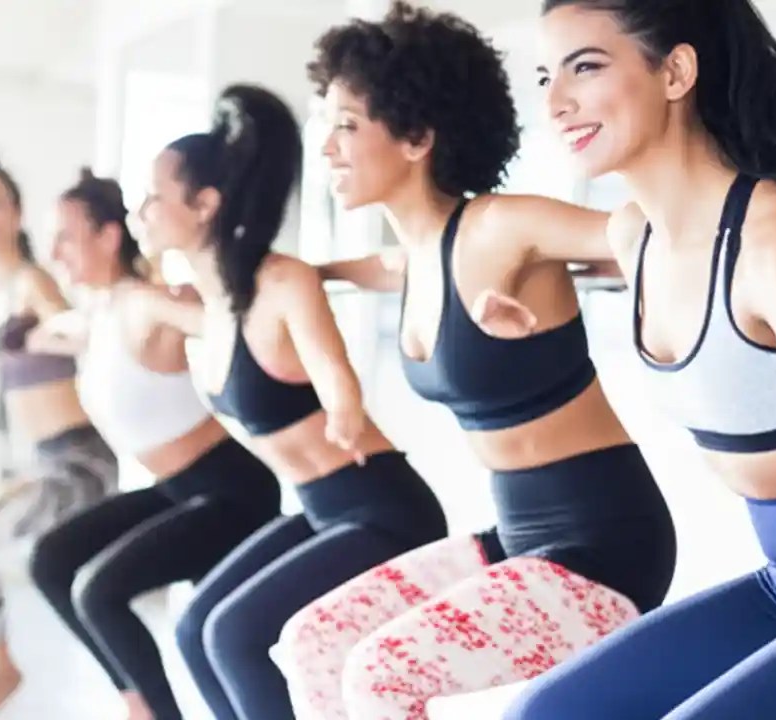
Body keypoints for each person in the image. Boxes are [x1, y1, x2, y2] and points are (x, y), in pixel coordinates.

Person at [506, 1, 776, 717]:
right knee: (547, 713)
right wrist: (500, 302)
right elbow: (510, 238)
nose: (556, 102)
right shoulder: (635, 237)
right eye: (545, 77)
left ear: (676, 71)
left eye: (585, 67)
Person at [277, 6, 675, 717]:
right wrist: (284, 276)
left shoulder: (501, 228)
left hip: (604, 549)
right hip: (517, 536)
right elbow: (359, 267)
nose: (329, 149)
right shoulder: (414, 260)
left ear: (417, 137)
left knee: (379, 675)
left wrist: (592, 279)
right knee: (312, 640)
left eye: (346, 124)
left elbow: (645, 229)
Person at [136, 83, 448, 720]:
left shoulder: (281, 285)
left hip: (383, 511)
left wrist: (342, 406)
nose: (138, 209)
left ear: (204, 205)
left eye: (153, 196)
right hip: (317, 509)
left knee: (235, 635)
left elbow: (338, 379)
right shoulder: (211, 306)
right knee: (197, 626)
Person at [25, 169, 282, 720]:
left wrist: (210, 296)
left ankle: (152, 713)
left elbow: (222, 322)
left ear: (107, 237)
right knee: (51, 560)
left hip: (231, 493)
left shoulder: (143, 303)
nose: (53, 252)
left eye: (66, 237)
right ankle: (135, 697)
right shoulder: (97, 313)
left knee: (99, 593)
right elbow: (59, 329)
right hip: (176, 489)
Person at [0, 144, 120, 710]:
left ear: (16, 213)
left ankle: (4, 666)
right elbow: (2, 332)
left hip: (78, 462)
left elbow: (73, 322)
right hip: (35, 457)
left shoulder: (33, 281)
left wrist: (51, 333)